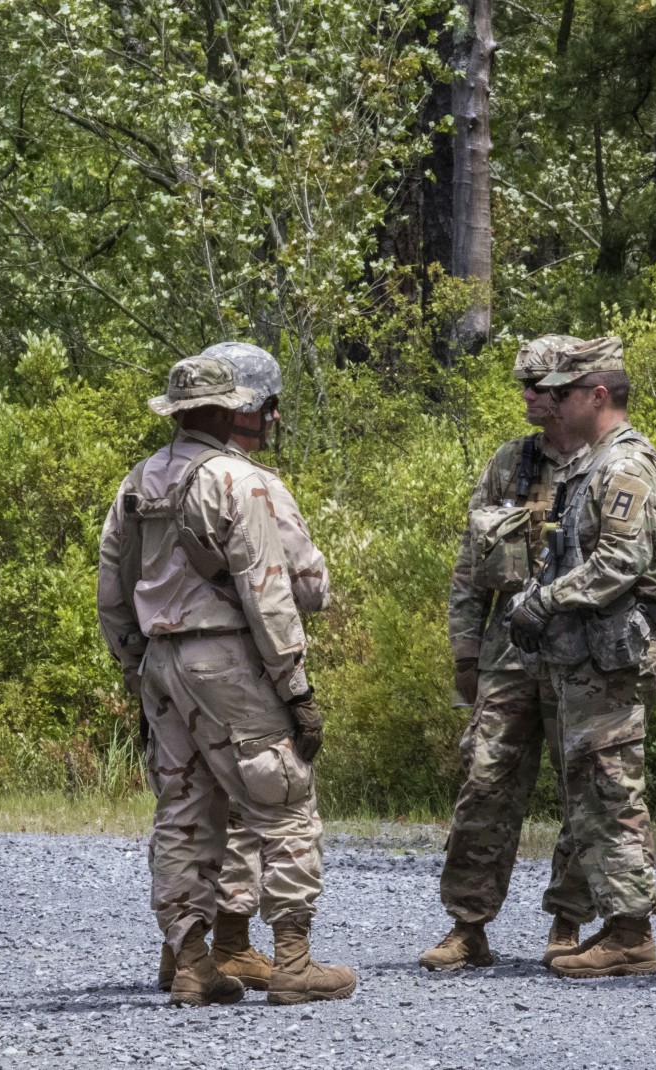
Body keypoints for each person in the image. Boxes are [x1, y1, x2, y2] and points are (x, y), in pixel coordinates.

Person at [97, 353, 356, 1006]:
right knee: (284, 799)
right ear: (222, 410)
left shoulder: (137, 482)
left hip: (162, 664)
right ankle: (294, 964)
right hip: (227, 661)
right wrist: (295, 689)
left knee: (184, 814)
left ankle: (191, 965)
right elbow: (267, 591)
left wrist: (137, 668)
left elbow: (112, 587)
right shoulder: (237, 481)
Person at [506, 336, 656, 978]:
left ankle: (631, 933)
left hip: (610, 662)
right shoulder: (594, 462)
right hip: (584, 658)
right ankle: (616, 926)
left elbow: (621, 562)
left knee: (612, 789)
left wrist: (545, 601)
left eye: (563, 394)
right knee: (590, 789)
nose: (551, 404)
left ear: (598, 395)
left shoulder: (625, 465)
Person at [420, 336, 598, 971]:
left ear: (569, 391)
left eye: (539, 388)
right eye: (524, 386)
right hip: (508, 654)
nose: (527, 398)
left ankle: (568, 923)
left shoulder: (611, 459)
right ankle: (468, 924)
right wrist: (465, 653)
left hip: (586, 654)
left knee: (587, 785)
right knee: (484, 780)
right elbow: (470, 570)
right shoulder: (510, 464)